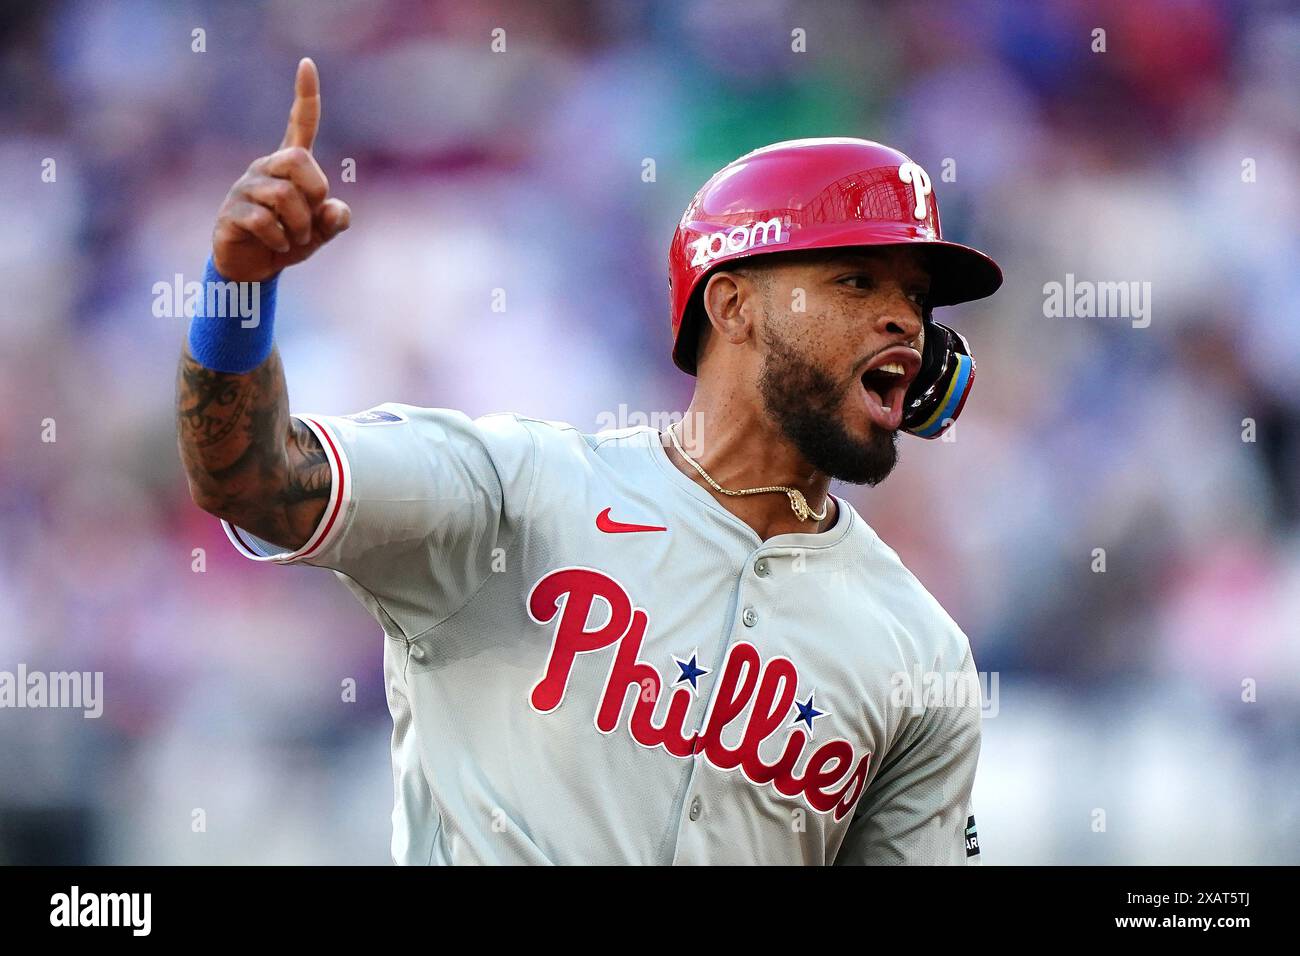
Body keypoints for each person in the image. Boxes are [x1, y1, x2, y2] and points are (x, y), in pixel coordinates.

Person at [177, 58, 1001, 865]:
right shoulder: (514, 492)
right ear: (734, 304)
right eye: (859, 282)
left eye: (918, 300)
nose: (905, 322)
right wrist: (237, 293)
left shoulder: (921, 652)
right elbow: (251, 479)